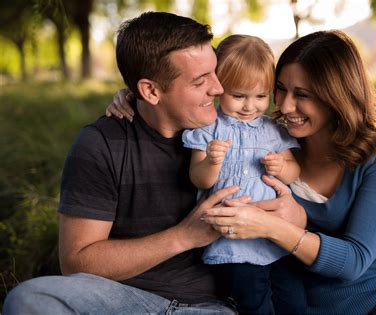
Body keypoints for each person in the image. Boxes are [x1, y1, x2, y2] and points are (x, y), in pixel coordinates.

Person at [2, 11, 306, 315]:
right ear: (150, 90)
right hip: (120, 298)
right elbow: (77, 262)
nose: (218, 88)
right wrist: (184, 236)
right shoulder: (102, 143)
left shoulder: (230, 129)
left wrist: (291, 214)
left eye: (216, 72)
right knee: (28, 298)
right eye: (201, 81)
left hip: (208, 307)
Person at [200, 30, 376, 314]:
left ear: (336, 96)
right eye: (281, 89)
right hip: (302, 304)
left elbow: (354, 261)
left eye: (302, 94)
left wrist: (270, 226)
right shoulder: (271, 141)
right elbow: (204, 100)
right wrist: (133, 101)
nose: (285, 106)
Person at [107, 34, 305, 315]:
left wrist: (283, 168)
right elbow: (200, 179)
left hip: (275, 238)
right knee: (254, 301)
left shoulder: (272, 130)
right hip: (233, 242)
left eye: (260, 96)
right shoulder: (208, 128)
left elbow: (293, 169)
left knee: (294, 299)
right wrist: (212, 161)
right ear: (218, 88)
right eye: (238, 96)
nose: (250, 106)